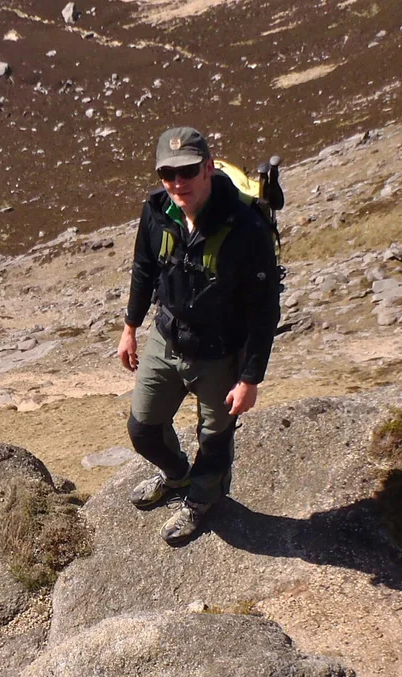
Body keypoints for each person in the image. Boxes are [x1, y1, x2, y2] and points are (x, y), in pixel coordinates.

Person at [117, 126, 281, 546]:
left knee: (214, 438)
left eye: (187, 170)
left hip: (221, 353)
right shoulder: (156, 210)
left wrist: (250, 378)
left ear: (208, 167)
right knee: (142, 428)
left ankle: (201, 501)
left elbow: (264, 309)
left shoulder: (245, 228)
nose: (177, 182)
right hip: (166, 338)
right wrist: (131, 327)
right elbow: (143, 269)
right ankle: (176, 475)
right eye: (167, 173)